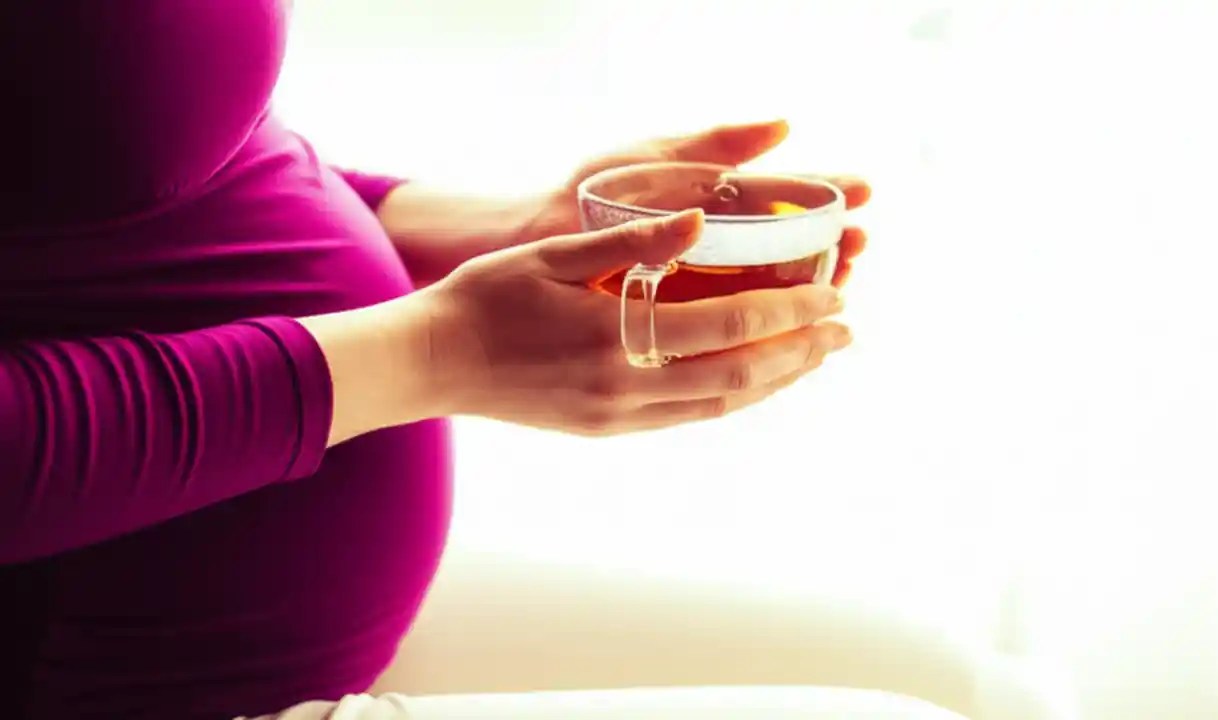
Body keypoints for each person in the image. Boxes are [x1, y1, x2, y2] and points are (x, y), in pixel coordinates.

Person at [0, 3, 874, 719]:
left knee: (933, 674)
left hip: (273, 644)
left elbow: (124, 165)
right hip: (119, 672)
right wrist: (440, 351)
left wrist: (490, 229)